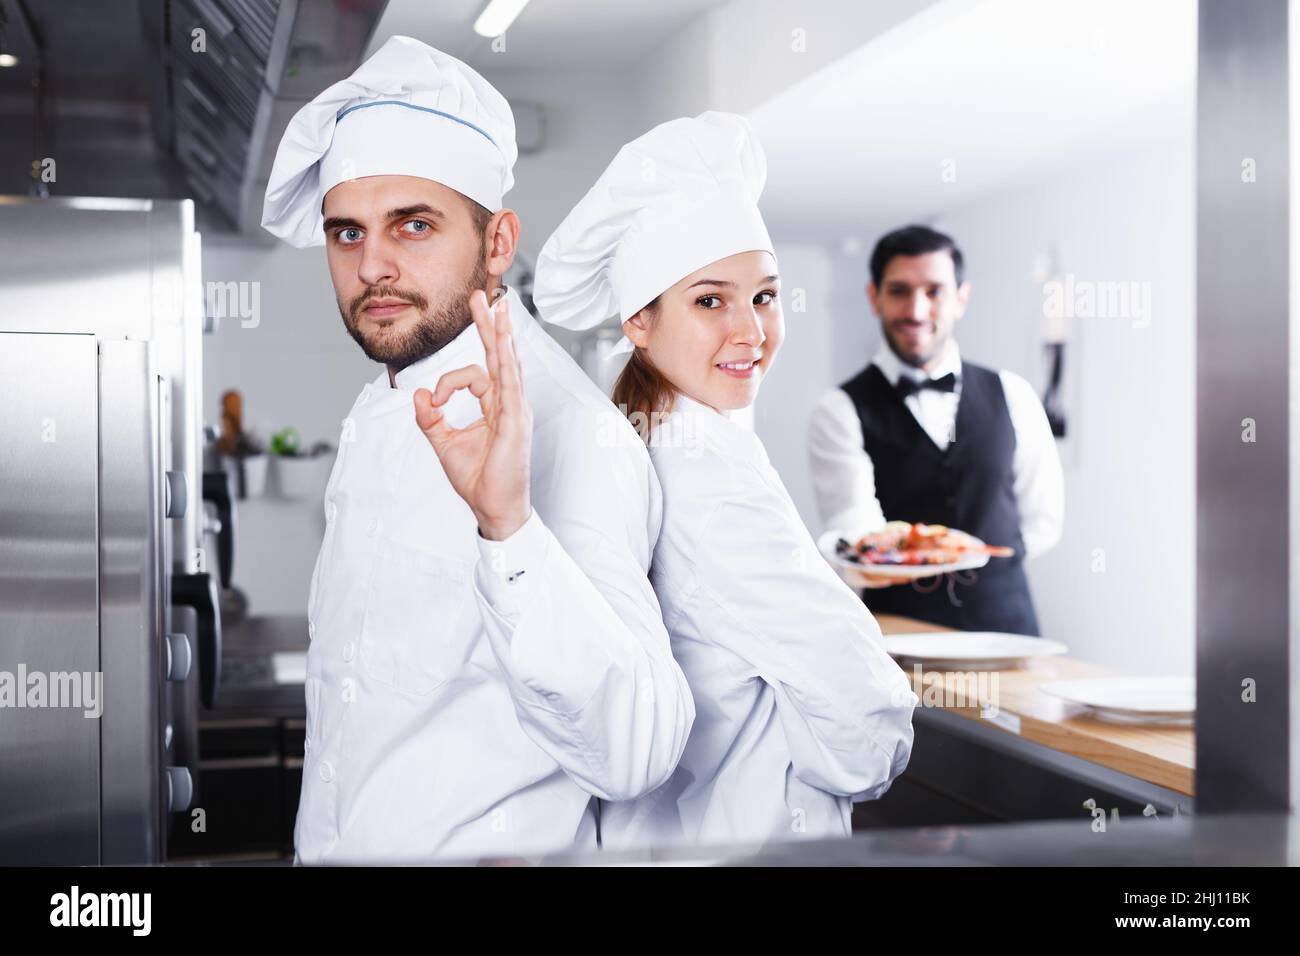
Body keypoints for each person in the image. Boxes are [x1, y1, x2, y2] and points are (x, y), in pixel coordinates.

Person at [260, 35, 693, 863]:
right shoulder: (387, 395)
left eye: (412, 225)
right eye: (346, 234)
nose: (372, 267)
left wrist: (510, 531)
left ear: (497, 244)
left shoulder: (570, 430)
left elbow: (640, 746)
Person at [533, 112, 917, 848]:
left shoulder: (639, 437)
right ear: (639, 323)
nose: (750, 330)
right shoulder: (708, 476)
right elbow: (869, 725)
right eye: (710, 300)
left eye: (765, 296)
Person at [807, 225, 1064, 635]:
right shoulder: (839, 409)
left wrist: (985, 570)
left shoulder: (1014, 393)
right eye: (899, 291)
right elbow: (856, 528)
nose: (917, 310)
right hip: (898, 642)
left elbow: (1042, 519)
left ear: (961, 298)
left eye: (935, 291)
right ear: (874, 297)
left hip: (1009, 634)